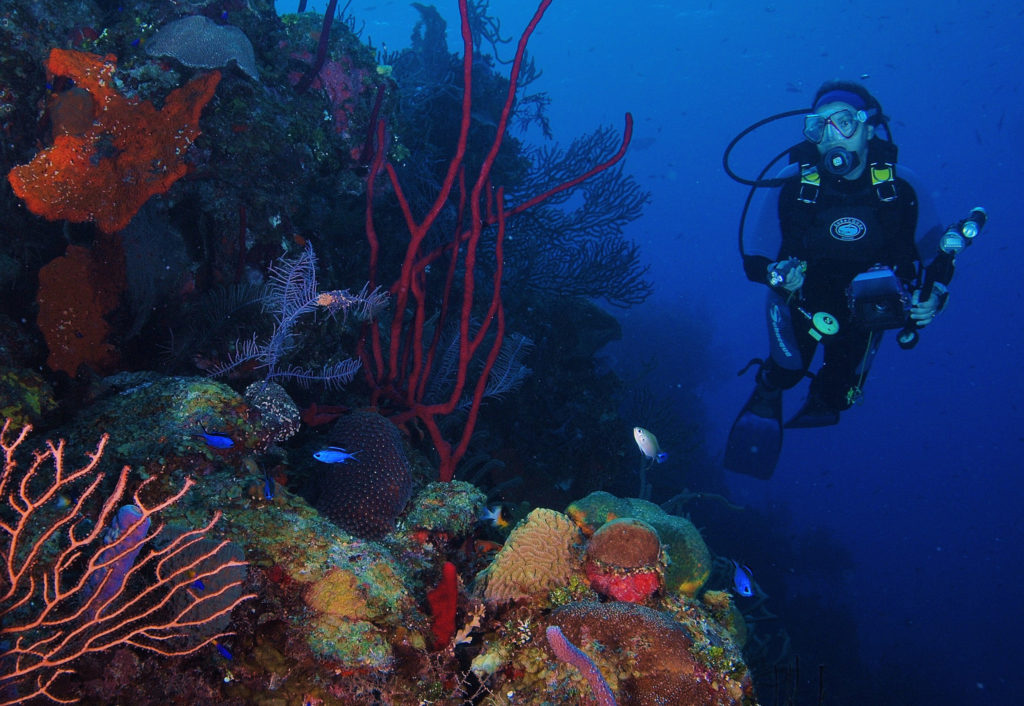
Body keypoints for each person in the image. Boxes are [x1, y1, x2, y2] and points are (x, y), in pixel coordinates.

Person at [724, 80, 948, 479]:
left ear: (869, 128)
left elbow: (938, 255)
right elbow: (754, 258)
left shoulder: (902, 186)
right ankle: (769, 387)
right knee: (788, 370)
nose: (830, 135)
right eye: (818, 126)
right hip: (799, 301)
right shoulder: (792, 183)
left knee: (837, 396)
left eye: (843, 122)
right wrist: (777, 275)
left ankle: (824, 399)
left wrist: (935, 297)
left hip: (868, 309)